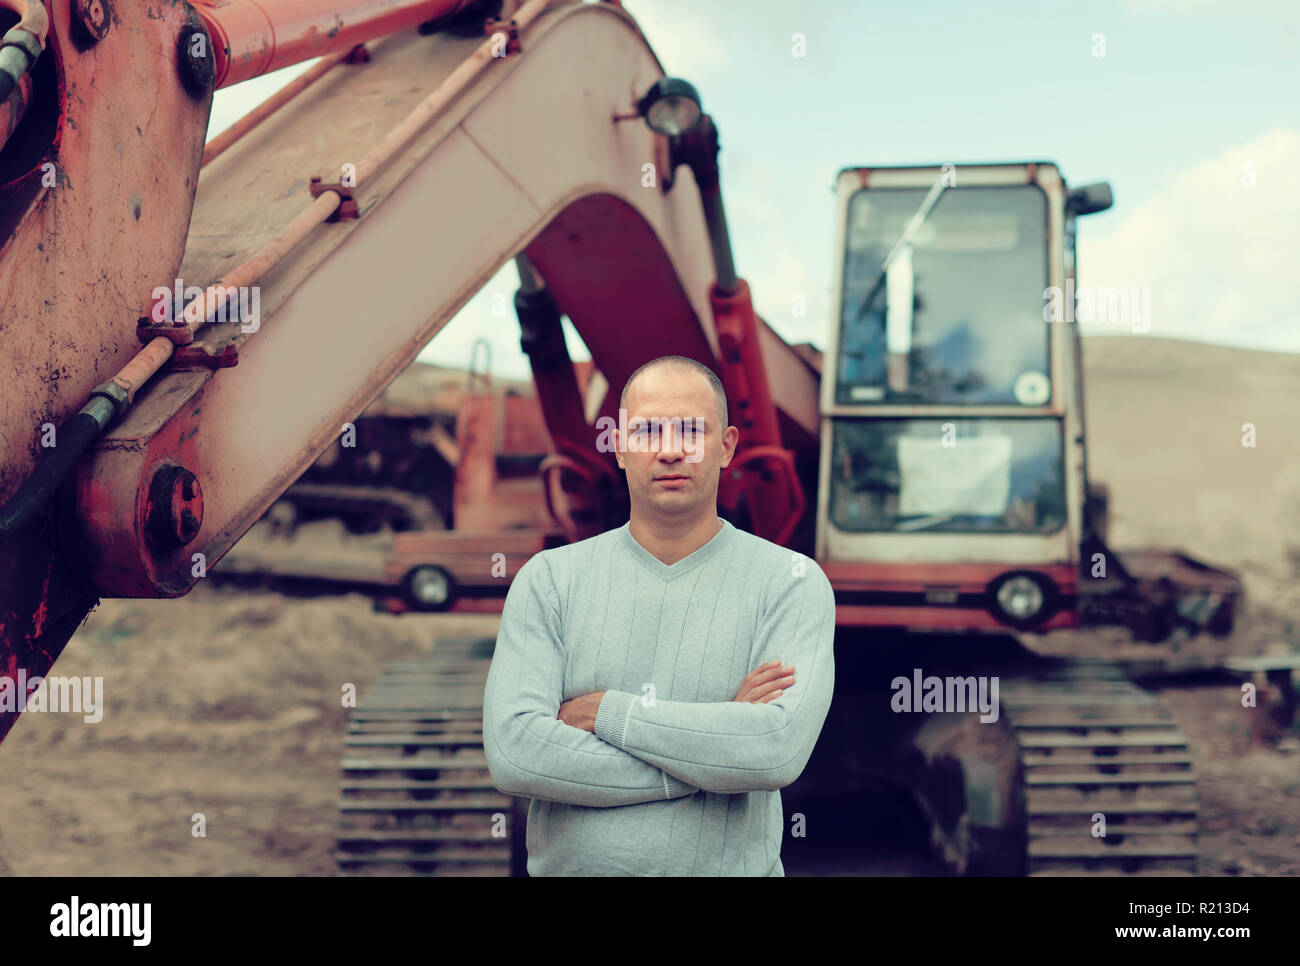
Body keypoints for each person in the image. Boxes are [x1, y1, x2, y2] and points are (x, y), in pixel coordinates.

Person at [483, 354, 836, 875]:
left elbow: (773, 749)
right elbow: (516, 753)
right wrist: (708, 757)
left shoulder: (790, 583)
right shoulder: (551, 580)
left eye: (692, 430)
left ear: (727, 447)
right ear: (621, 448)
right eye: (647, 431)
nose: (670, 450)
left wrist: (607, 714)